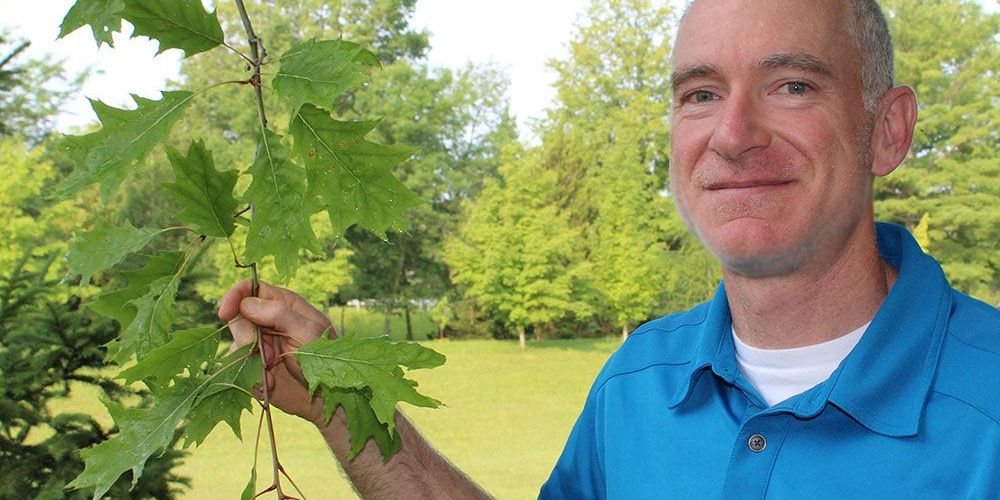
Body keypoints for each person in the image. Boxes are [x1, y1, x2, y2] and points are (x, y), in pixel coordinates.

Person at [219, 0, 1000, 497]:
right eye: (700, 94)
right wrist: (342, 409)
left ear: (887, 130)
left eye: (791, 85)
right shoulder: (639, 381)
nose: (732, 135)